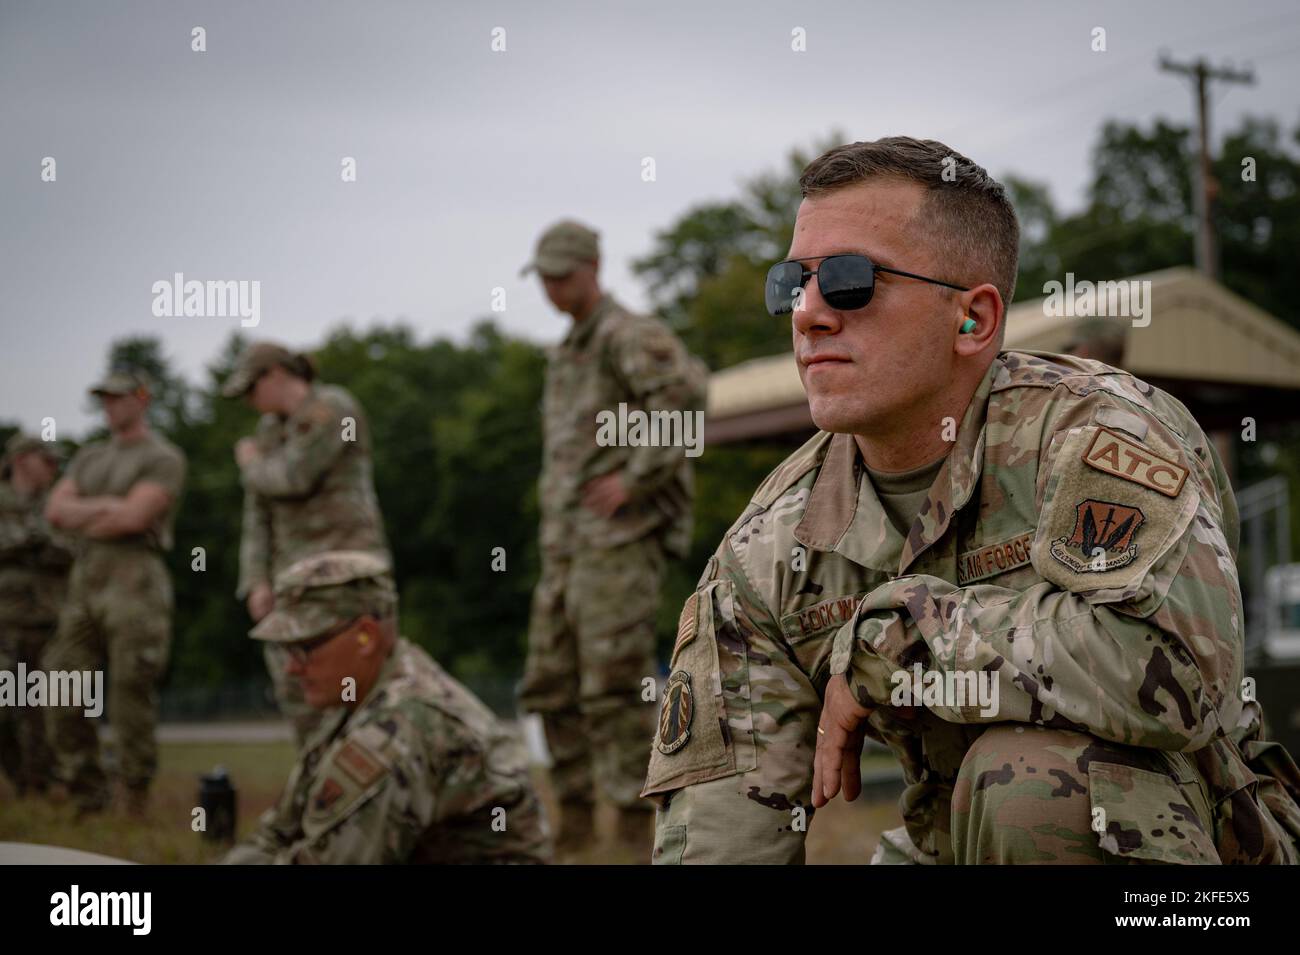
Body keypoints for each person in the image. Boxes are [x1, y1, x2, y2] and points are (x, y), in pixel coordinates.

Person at [643, 136, 1300, 864]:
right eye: (791, 284)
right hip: (947, 841)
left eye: (851, 281)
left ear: (974, 320)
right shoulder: (769, 548)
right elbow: (718, 839)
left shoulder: (1091, 435)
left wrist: (895, 645)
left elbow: (1176, 670)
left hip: (1202, 844)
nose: (809, 314)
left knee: (1031, 782)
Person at [518, 219, 708, 858]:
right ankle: (572, 833)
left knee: (614, 689)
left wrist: (634, 479)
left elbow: (688, 405)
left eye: (561, 275)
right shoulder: (569, 349)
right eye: (543, 277)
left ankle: (632, 840)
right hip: (566, 550)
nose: (551, 288)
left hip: (618, 544)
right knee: (549, 687)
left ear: (593, 268)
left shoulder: (629, 335)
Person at [221, 550, 551, 864]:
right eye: (285, 650)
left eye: (305, 647)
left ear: (366, 636)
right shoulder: (360, 697)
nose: (291, 668)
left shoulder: (398, 729)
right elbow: (277, 832)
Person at [222, 341, 391, 748]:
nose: (249, 401)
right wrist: (256, 580)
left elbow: (293, 477)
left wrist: (250, 464)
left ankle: (367, 792)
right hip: (291, 581)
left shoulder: (331, 409)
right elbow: (257, 513)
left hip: (346, 576)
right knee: (298, 692)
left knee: (355, 689)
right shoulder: (269, 431)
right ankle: (318, 790)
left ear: (276, 374)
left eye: (251, 388)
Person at [44, 371, 186, 816]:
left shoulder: (162, 457)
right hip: (86, 576)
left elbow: (133, 519)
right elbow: (54, 510)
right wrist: (109, 506)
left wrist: (87, 513)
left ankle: (133, 795)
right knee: (60, 681)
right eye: (104, 399)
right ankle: (87, 787)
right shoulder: (89, 457)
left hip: (135, 576)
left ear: (142, 400)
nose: (110, 407)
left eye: (118, 398)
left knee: (130, 686)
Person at [0, 434, 72, 795]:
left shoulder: (56, 502)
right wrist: (25, 543)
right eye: (48, 461)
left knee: (43, 708)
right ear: (23, 459)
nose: (54, 469)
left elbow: (72, 547)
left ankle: (37, 783)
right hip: (3, 621)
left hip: (48, 620)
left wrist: (34, 544)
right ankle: (16, 774)